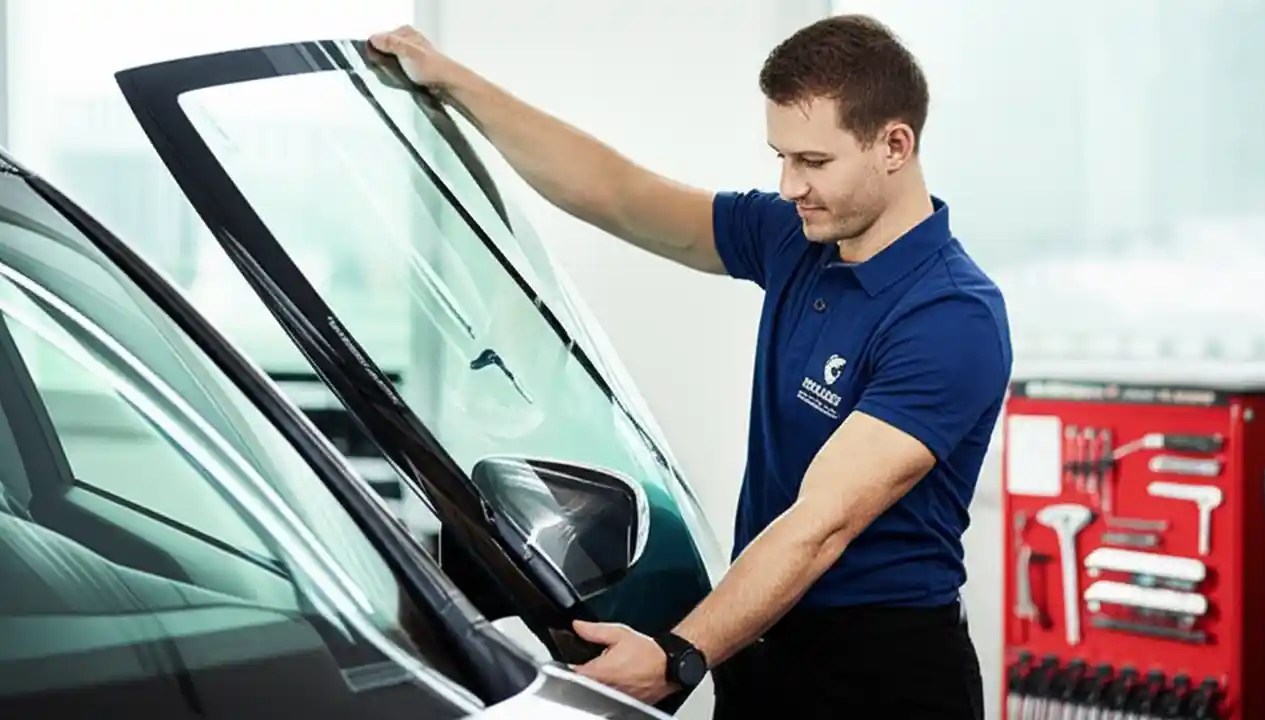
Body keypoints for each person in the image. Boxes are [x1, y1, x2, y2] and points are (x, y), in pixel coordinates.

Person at [371, 13, 1010, 719]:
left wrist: (680, 653)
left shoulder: (951, 317)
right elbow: (617, 193)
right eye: (781, 157)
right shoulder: (795, 239)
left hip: (880, 673)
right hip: (759, 639)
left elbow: (820, 524)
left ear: (895, 144)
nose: (791, 183)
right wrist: (454, 82)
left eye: (814, 161)